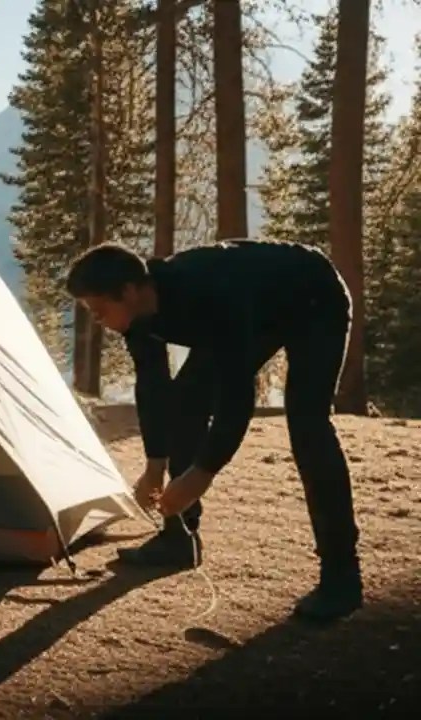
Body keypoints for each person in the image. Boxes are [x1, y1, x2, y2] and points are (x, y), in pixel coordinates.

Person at [64, 239, 363, 622]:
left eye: (100, 310)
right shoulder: (139, 314)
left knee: (308, 426)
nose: (98, 320)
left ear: (129, 291)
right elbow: (153, 384)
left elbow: (237, 394)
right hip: (250, 312)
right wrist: (155, 466)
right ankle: (177, 537)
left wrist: (201, 473)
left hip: (313, 298)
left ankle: (342, 576)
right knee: (186, 400)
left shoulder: (207, 295)